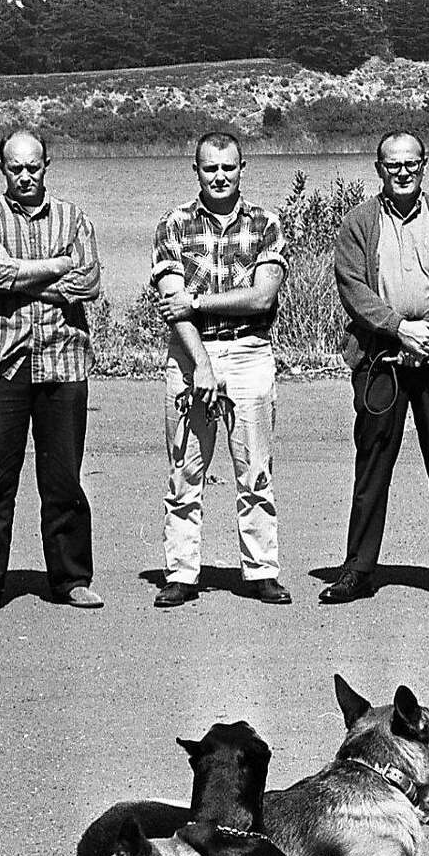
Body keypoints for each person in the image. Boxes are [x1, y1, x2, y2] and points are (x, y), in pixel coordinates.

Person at [323, 131, 429, 604]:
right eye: (392, 164)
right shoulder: (358, 222)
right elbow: (352, 287)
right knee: (373, 461)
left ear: (424, 166)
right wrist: (399, 328)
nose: (402, 172)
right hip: (381, 358)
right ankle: (358, 568)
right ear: (379, 168)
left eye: (411, 164)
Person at [0, 129, 104, 615]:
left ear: (47, 165)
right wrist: (55, 267)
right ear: (2, 168)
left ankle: (71, 579)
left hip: (64, 361)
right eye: (15, 167)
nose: (25, 176)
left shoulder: (73, 216)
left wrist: (23, 278)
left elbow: (87, 283)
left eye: (33, 167)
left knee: (63, 480)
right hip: (2, 363)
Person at [149, 131, 292, 607]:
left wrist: (199, 299)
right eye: (210, 168)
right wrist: (202, 367)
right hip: (190, 356)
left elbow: (262, 296)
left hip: (251, 354)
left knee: (254, 470)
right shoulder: (173, 224)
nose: (220, 176)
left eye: (228, 167)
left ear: (242, 167)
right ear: (196, 171)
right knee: (185, 469)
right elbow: (174, 307)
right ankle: (182, 572)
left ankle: (261, 570)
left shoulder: (267, 223)